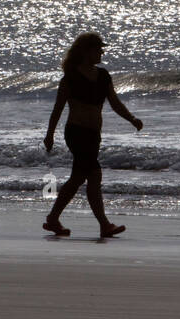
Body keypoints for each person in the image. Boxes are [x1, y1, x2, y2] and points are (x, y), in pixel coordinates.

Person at [42, 32, 142, 238]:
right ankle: (104, 224)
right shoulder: (70, 77)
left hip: (94, 134)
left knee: (78, 178)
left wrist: (132, 119)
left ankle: (53, 219)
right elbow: (58, 108)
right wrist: (50, 134)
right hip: (76, 132)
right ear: (86, 51)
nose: (101, 52)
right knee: (93, 176)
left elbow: (114, 103)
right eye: (98, 49)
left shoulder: (103, 76)